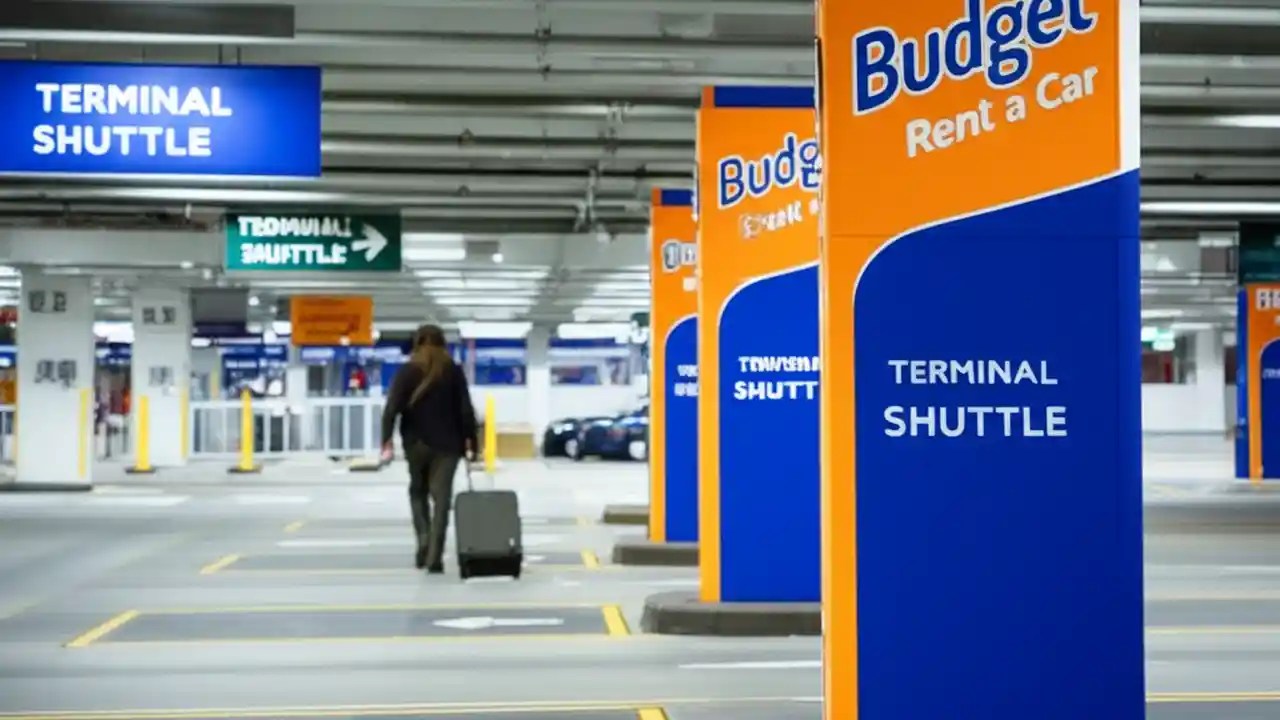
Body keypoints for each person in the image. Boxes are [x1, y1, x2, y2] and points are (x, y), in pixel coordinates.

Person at [380, 324, 479, 573]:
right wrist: (472, 443)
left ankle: (423, 539)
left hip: (416, 444)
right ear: (443, 342)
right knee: (442, 499)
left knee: (417, 492)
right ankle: (435, 555)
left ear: (417, 343)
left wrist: (386, 440)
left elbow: (392, 408)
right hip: (448, 446)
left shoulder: (408, 371)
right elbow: (466, 410)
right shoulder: (453, 371)